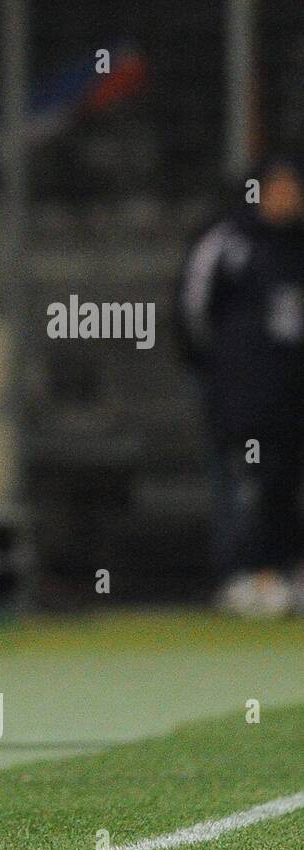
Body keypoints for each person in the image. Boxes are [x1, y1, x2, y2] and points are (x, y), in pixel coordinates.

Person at [176, 153, 304, 616]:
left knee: (283, 483)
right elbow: (193, 313)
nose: (290, 198)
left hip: (291, 395)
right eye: (280, 187)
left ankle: (285, 571)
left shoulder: (296, 246)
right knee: (242, 481)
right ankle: (242, 577)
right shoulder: (228, 241)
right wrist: (221, 372)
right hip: (240, 394)